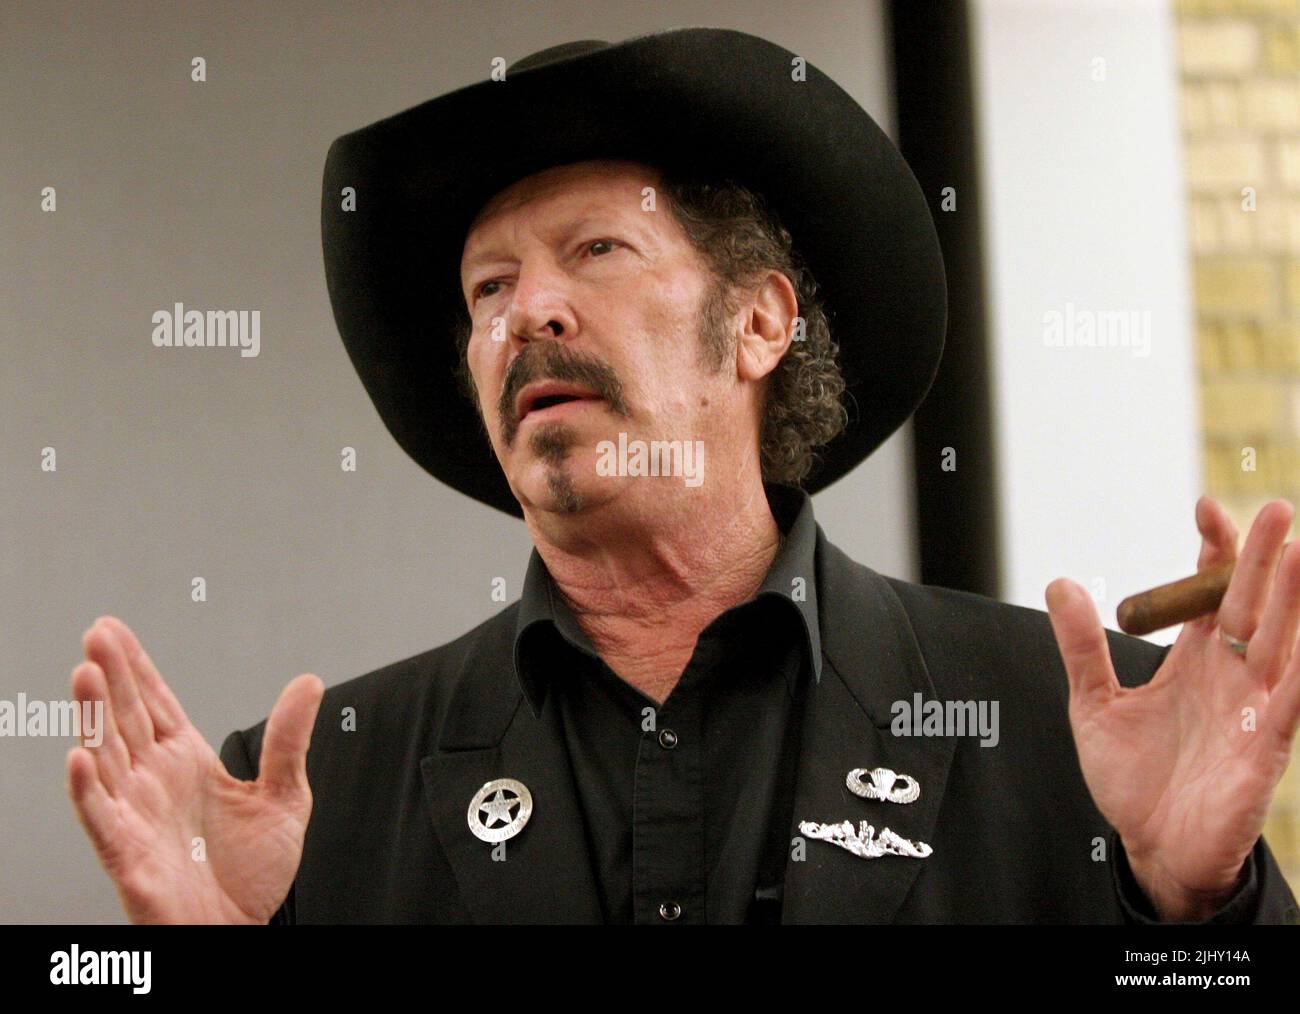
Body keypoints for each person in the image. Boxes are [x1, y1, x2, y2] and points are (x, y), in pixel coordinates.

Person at [66, 28, 1299, 924]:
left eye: (595, 251)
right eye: (486, 290)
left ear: (761, 324)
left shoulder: (1073, 737)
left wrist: (1197, 915)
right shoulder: (313, 798)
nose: (526, 312)